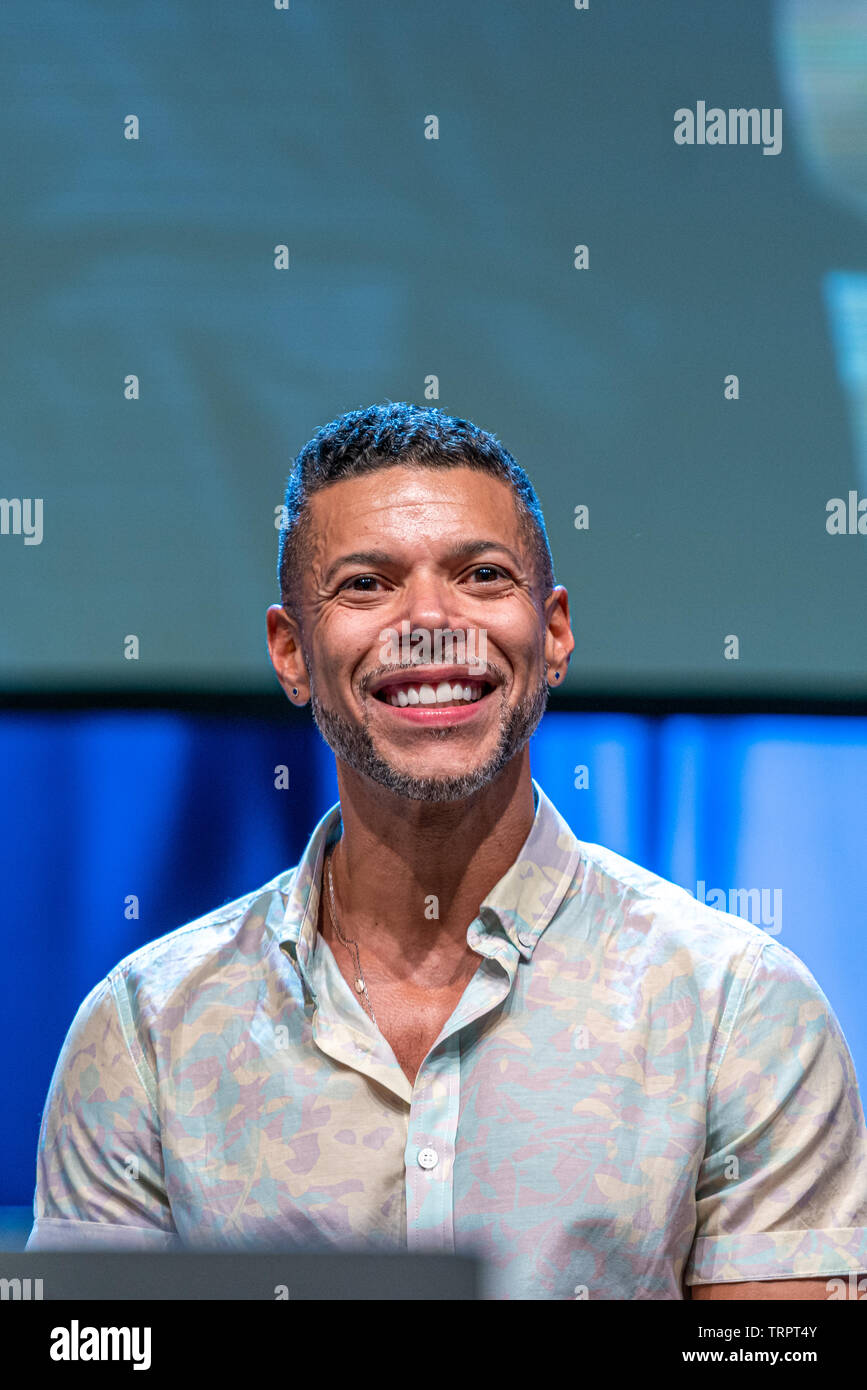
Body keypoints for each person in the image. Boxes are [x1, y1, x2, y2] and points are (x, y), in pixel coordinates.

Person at [26, 402, 867, 1300]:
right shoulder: (145, 1030)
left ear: (553, 635)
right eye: (366, 585)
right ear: (290, 654)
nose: (429, 621)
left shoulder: (738, 1007)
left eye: (481, 575)